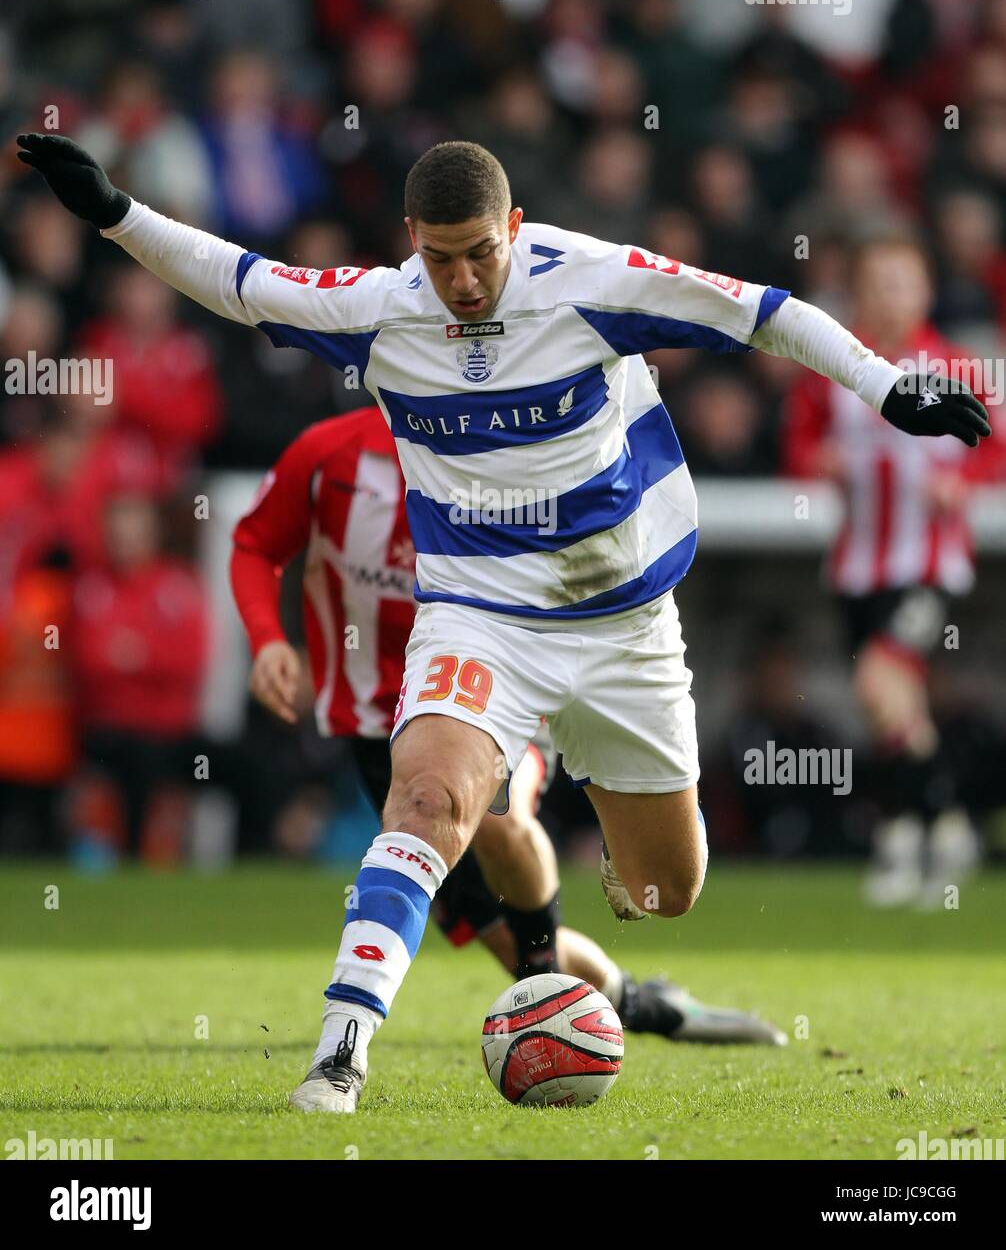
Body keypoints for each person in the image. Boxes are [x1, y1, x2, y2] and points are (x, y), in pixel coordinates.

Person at [17, 133, 990, 1114]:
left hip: (624, 627)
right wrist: (112, 212)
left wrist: (884, 384)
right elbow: (236, 278)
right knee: (428, 806)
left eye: (481, 250)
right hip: (481, 614)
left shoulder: (587, 281)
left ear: (513, 227)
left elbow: (759, 312)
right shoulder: (381, 309)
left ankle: (608, 830)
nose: (464, 278)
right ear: (412, 242)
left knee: (664, 893)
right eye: (440, 257)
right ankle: (339, 1054)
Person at [230, 406, 786, 1044]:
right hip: (375, 728)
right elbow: (255, 543)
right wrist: (268, 638)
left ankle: (633, 813)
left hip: (496, 695)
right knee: (510, 951)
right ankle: (643, 1003)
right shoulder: (328, 454)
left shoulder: (498, 453)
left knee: (500, 822)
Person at [782, 236, 998, 905]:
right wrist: (820, 463)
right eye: (877, 284)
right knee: (894, 709)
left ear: (926, 291)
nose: (889, 297)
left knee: (879, 683)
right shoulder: (837, 365)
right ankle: (939, 825)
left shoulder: (959, 365)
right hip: (856, 566)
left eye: (903, 283)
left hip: (929, 563)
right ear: (858, 294)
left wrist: (966, 485)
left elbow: (992, 450)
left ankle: (911, 834)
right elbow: (799, 445)